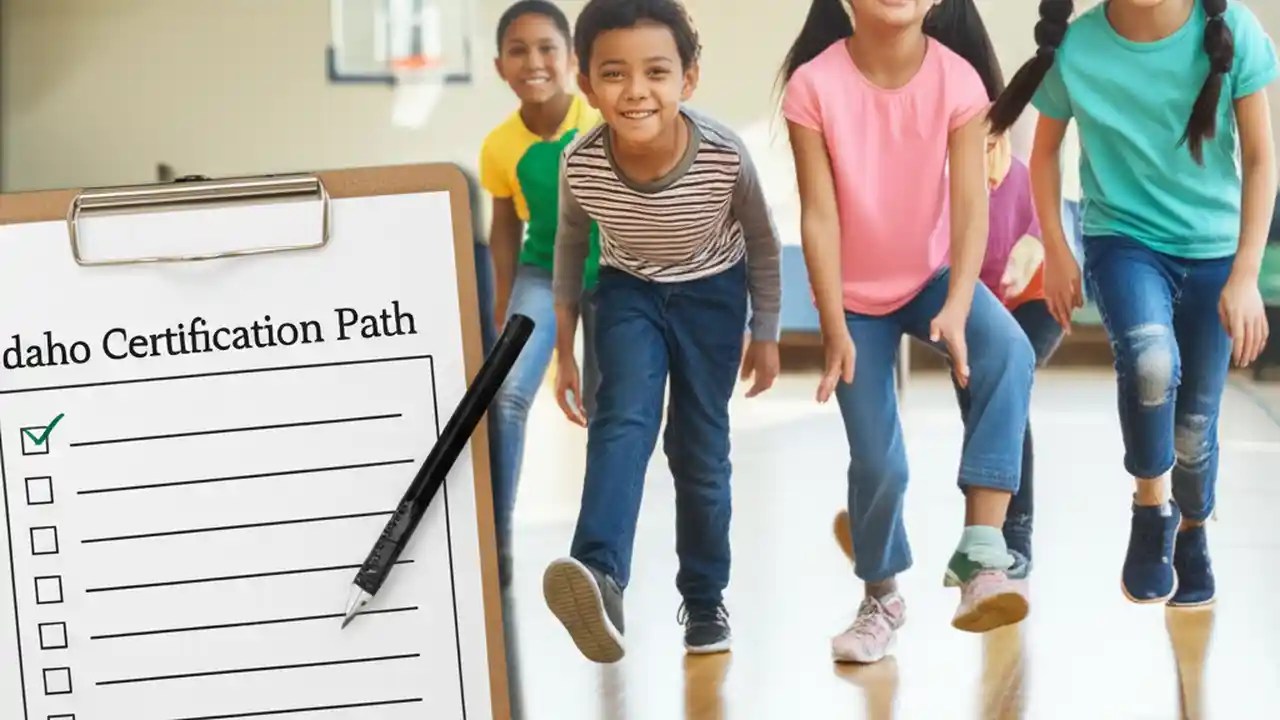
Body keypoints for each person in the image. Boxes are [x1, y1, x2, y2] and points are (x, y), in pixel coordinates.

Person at [987, 0, 1277, 607]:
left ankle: (1193, 531)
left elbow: (1258, 159)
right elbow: (1043, 153)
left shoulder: (1234, 30)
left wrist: (1246, 273)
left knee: (1195, 433)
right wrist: (1058, 251)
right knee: (1149, 363)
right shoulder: (1079, 46)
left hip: (1215, 252)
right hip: (1123, 242)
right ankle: (1151, 505)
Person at [780, 0, 1037, 664]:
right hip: (854, 302)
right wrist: (833, 324)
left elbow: (970, 208)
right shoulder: (814, 86)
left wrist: (956, 304)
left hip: (931, 278)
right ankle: (881, 597)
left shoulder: (958, 81)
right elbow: (818, 216)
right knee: (879, 464)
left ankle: (982, 554)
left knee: (1008, 348)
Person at [542, 0, 782, 664]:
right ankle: (599, 576)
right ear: (586, 85)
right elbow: (569, 251)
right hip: (628, 293)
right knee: (621, 424)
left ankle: (704, 599)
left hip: (713, 293)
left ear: (688, 79)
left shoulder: (724, 155)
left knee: (699, 451)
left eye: (656, 71)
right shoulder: (582, 163)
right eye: (613, 74)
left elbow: (762, 241)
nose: (636, 91)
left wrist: (765, 328)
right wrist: (564, 351)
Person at [830, 121, 1065, 590]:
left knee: (1002, 391)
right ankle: (886, 529)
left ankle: (1010, 539)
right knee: (977, 389)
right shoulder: (937, 186)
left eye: (988, 142)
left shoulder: (1018, 179)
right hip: (969, 306)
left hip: (1035, 304)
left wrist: (1040, 245)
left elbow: (1052, 226)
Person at [478, 0, 602, 590]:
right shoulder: (499, 147)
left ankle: (599, 553)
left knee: (607, 410)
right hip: (538, 274)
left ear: (572, 58)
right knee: (504, 396)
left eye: (548, 47)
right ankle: (497, 541)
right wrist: (505, 307)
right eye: (518, 50)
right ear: (500, 66)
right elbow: (505, 228)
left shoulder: (600, 121)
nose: (534, 61)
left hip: (610, 276)